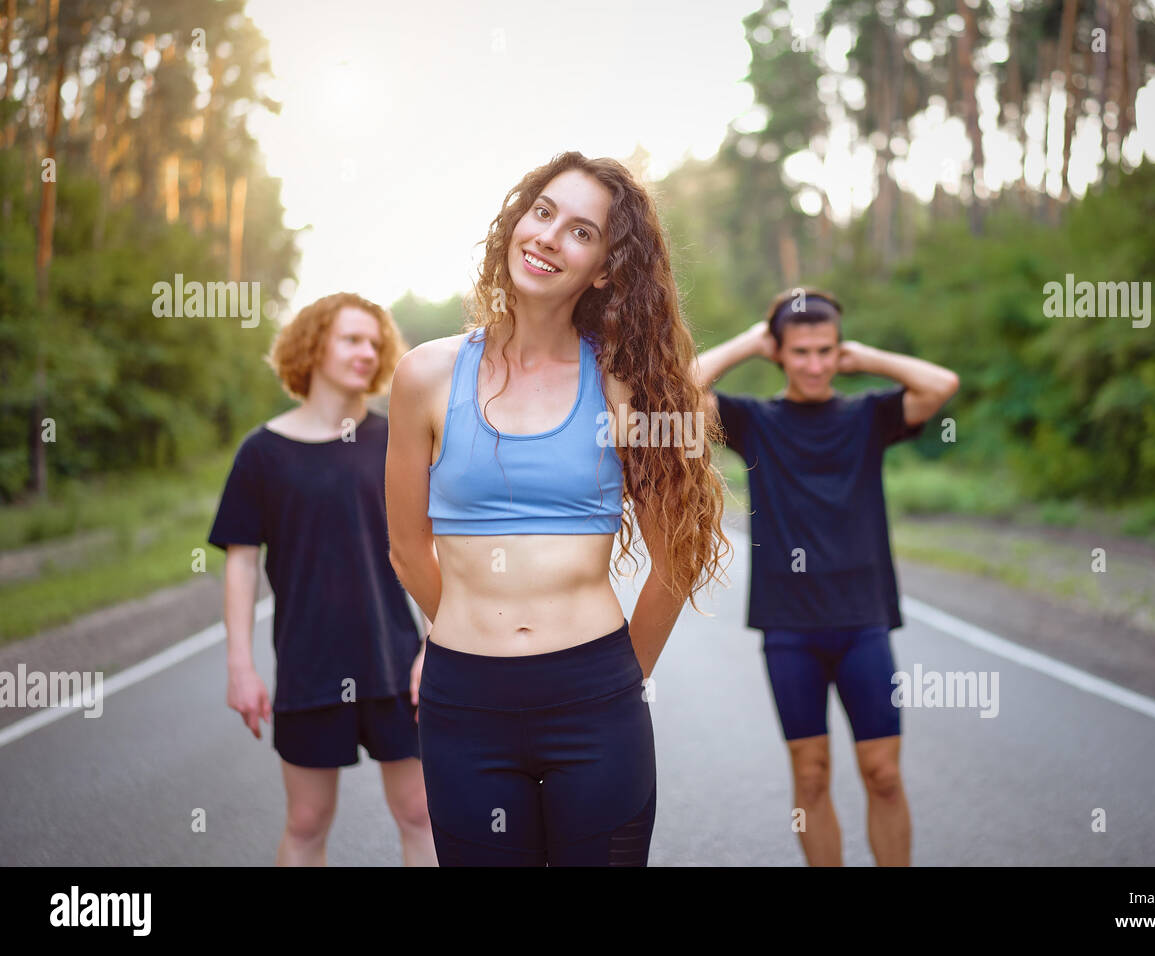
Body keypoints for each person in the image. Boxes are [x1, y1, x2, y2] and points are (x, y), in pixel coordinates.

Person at [385, 151, 730, 867]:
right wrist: (467, 637)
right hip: (463, 704)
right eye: (541, 212)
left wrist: (618, 680)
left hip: (596, 699)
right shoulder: (424, 376)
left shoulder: (625, 388)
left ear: (605, 268)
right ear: (515, 223)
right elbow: (406, 548)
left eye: (580, 231)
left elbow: (678, 559)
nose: (547, 236)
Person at [695, 287, 959, 867]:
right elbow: (682, 390)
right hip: (788, 627)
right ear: (780, 355)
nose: (814, 364)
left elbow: (941, 385)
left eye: (825, 351)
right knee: (811, 777)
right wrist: (749, 342)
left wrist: (866, 358)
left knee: (883, 773)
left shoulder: (869, 416)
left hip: (862, 619)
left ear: (838, 353)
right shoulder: (754, 421)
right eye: (800, 351)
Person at [208, 292, 437, 866]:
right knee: (307, 822)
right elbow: (240, 561)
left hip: (395, 661)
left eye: (374, 342)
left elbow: (432, 547)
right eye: (351, 339)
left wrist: (435, 644)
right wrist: (241, 666)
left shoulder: (398, 440)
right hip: (309, 665)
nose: (368, 351)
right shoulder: (262, 453)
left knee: (420, 813)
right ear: (313, 346)